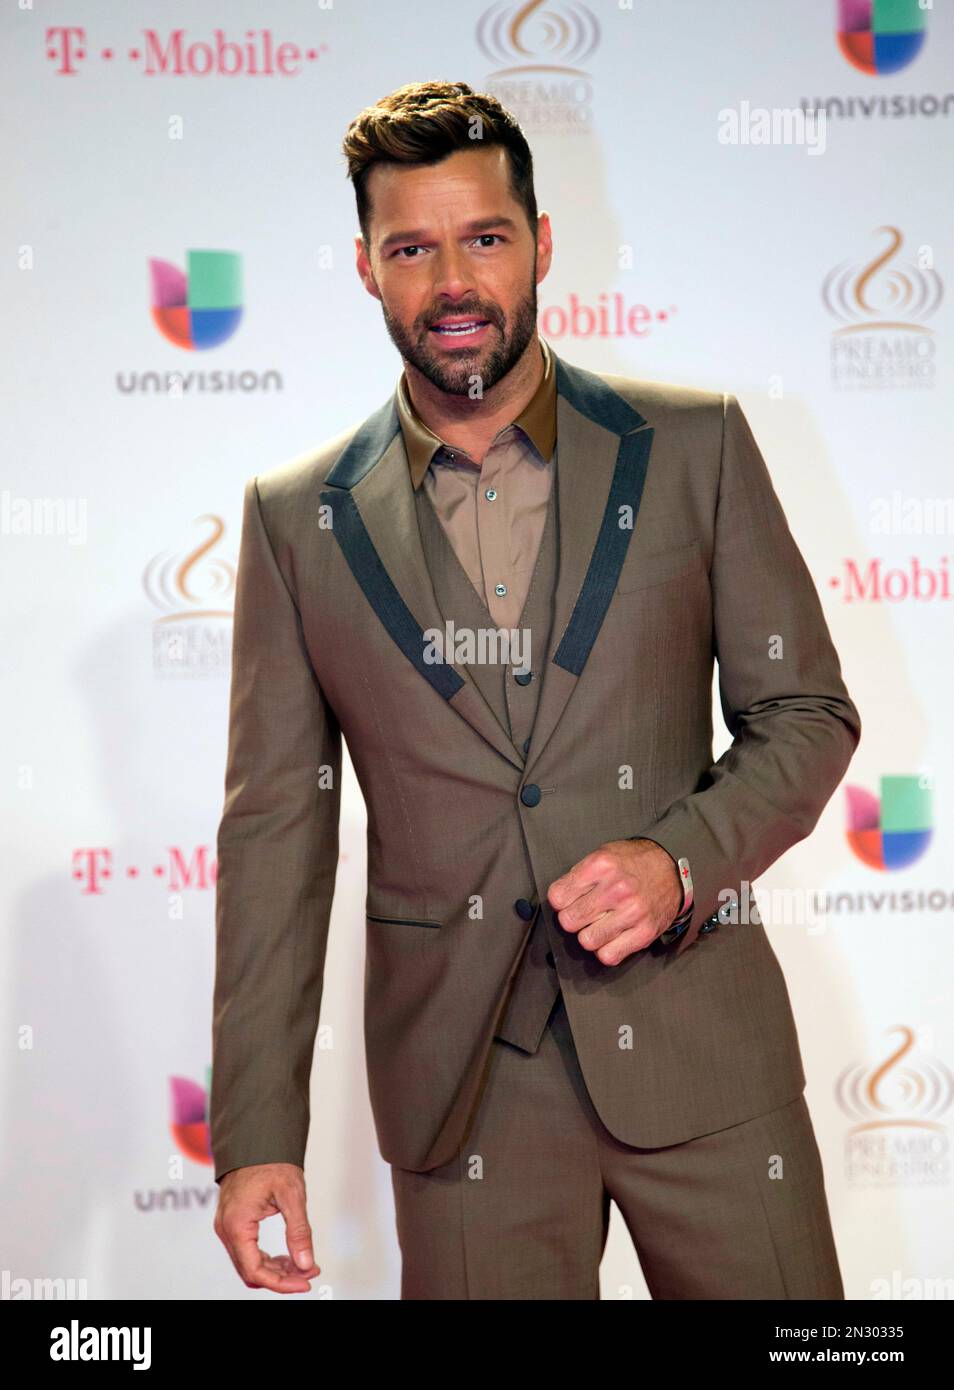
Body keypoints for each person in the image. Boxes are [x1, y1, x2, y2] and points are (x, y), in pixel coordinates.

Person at [211, 81, 861, 1300]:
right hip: (461, 1096)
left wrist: (679, 861)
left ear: (543, 243)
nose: (452, 281)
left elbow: (806, 714)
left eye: (485, 238)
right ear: (366, 267)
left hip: (703, 1057)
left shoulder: (695, 446)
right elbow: (274, 835)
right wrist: (255, 1135)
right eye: (413, 248)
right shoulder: (297, 520)